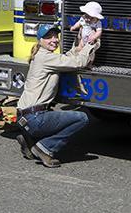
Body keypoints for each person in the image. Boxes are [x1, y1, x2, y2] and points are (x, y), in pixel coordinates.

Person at [14, 23, 101, 168]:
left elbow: (64, 59)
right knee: (82, 118)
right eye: (48, 37)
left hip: (24, 117)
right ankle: (46, 148)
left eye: (55, 36)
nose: (54, 40)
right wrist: (89, 45)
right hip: (35, 118)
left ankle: (28, 138)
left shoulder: (41, 55)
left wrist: (77, 48)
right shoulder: (45, 58)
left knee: (52, 115)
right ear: (40, 40)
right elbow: (78, 62)